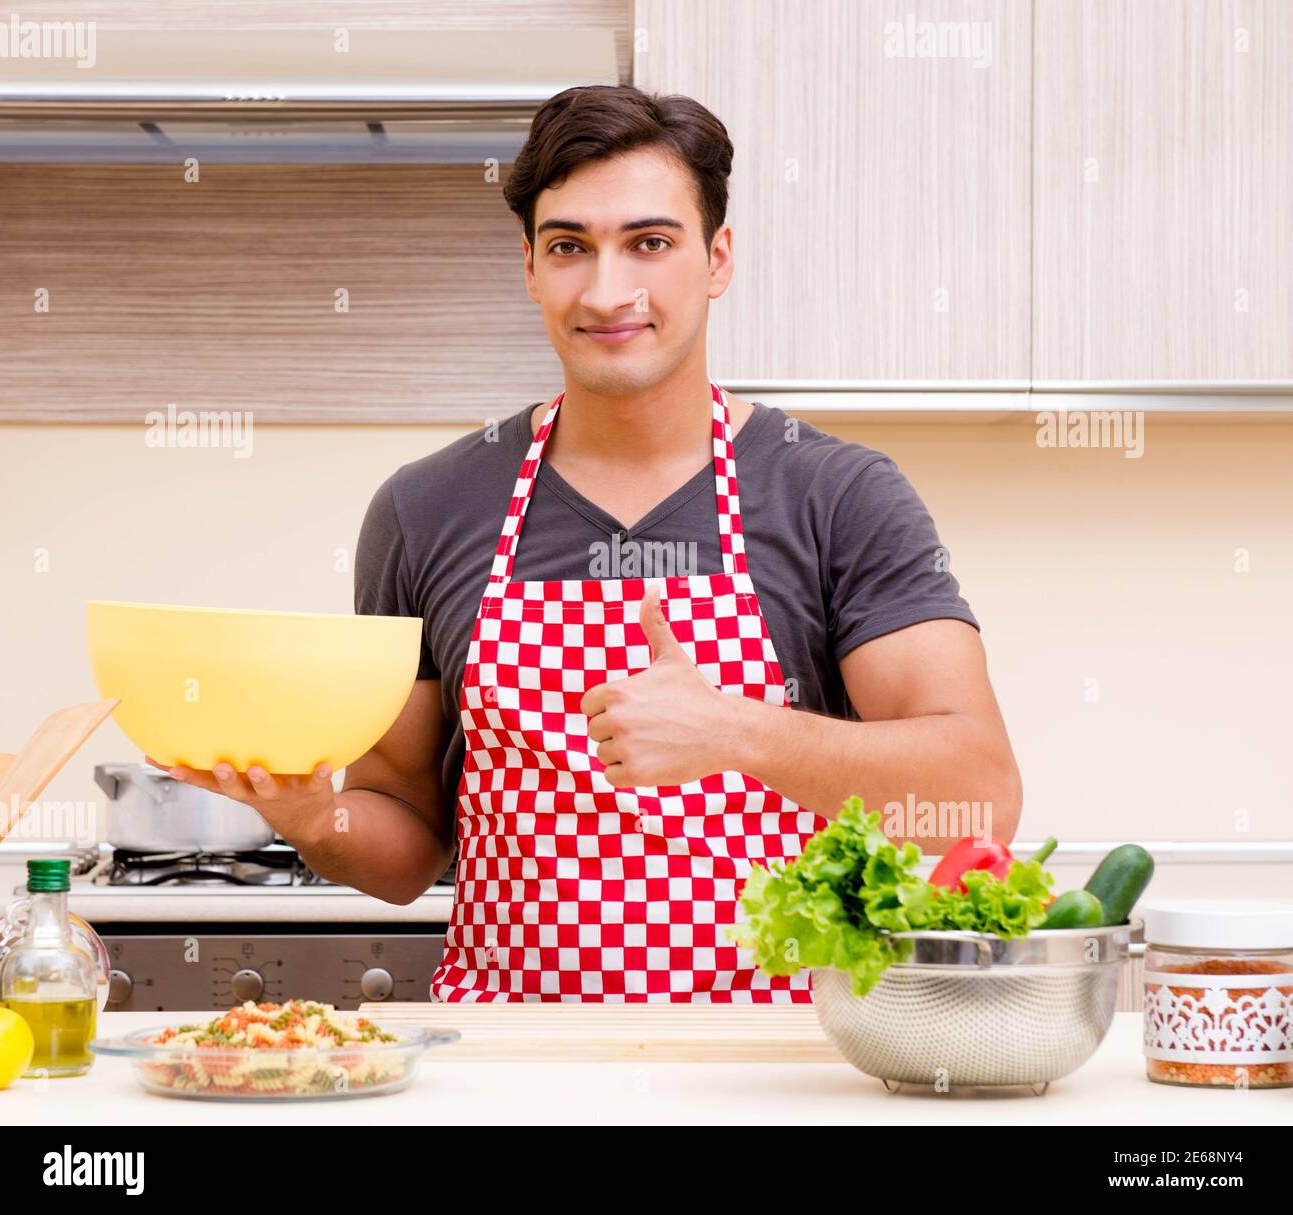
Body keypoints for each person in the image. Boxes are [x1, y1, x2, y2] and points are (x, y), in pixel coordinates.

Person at [157, 84, 1021, 1002]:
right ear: (530, 267)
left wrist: (735, 730)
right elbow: (407, 841)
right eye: (570, 247)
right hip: (510, 1060)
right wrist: (316, 818)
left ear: (718, 258)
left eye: (649, 242)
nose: (609, 292)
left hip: (777, 1061)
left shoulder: (837, 495)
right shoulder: (427, 507)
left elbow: (981, 793)